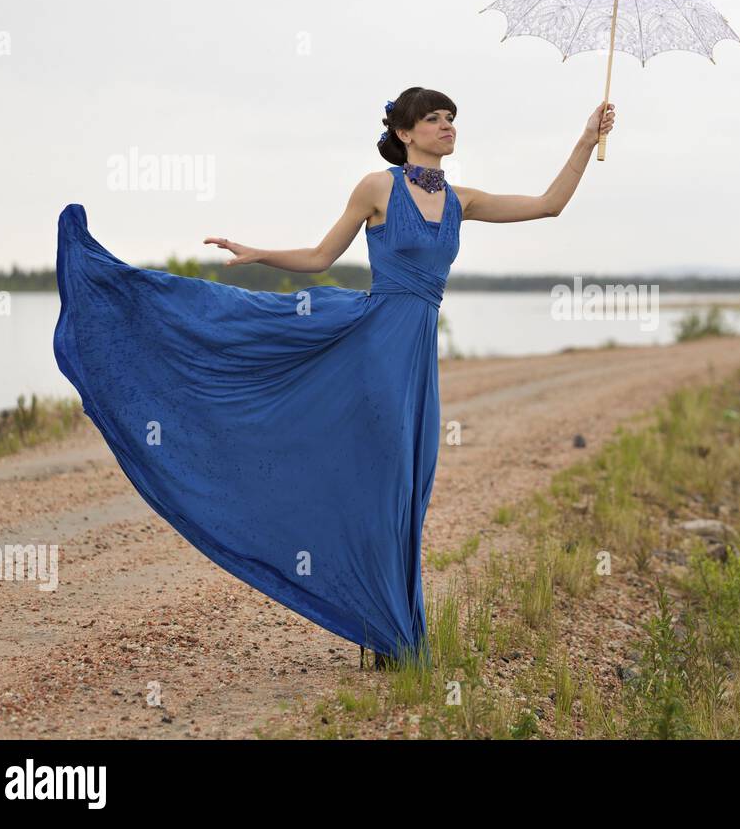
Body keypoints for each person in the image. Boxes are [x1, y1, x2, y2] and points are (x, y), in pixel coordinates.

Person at [53, 86, 616, 670]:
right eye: (434, 119)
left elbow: (550, 204)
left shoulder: (460, 199)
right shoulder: (378, 188)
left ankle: (390, 628)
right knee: (384, 478)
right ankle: (390, 635)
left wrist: (586, 138)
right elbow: (323, 257)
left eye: (452, 118)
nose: (448, 126)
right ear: (405, 132)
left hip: (418, 355)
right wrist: (257, 252)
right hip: (374, 349)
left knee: (408, 487)